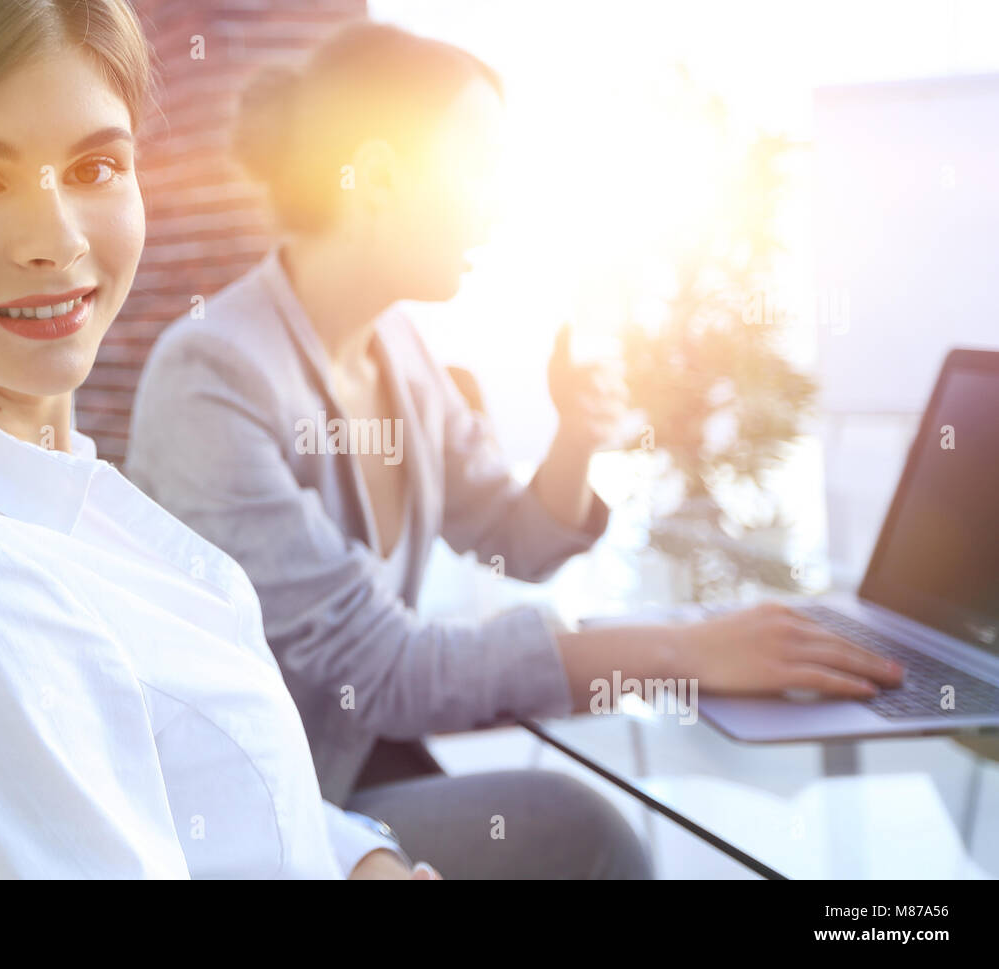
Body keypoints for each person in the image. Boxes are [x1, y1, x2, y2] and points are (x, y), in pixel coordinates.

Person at [126, 22, 904, 879]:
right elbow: (382, 665)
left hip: (361, 759)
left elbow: (514, 541)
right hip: (262, 797)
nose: (498, 203)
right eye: (478, 167)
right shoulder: (212, 373)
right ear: (378, 177)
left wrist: (574, 437)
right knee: (577, 831)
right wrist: (680, 648)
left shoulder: (400, 348)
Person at [0, 0, 438, 880]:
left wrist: (355, 858)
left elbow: (212, 795)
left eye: (96, 165)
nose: (60, 240)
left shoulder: (30, 484)